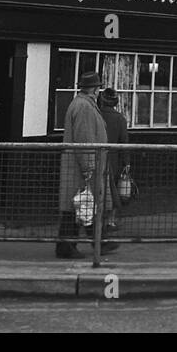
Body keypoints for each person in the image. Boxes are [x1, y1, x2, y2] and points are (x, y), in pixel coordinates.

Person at [56, 71, 115, 259]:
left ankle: (98, 242)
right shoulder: (84, 107)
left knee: (82, 206)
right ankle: (90, 244)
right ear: (96, 89)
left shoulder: (82, 104)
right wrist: (89, 167)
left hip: (80, 165)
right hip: (83, 168)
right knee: (81, 205)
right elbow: (85, 137)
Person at [98, 88, 130, 230]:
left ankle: (96, 220)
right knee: (114, 190)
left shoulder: (97, 115)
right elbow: (124, 142)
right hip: (114, 159)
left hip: (97, 156)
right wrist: (126, 162)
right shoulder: (120, 118)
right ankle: (110, 220)